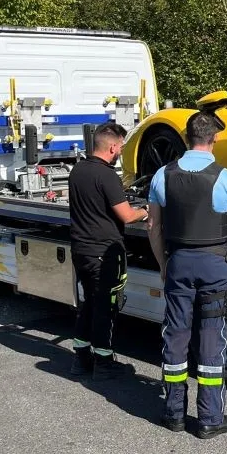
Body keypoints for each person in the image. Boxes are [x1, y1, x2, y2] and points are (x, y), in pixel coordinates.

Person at [146, 110, 227, 439]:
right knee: (211, 337)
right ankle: (209, 418)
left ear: (186, 138)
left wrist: (164, 265)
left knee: (175, 336)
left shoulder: (161, 176)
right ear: (215, 138)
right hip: (215, 267)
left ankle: (174, 413)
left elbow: (153, 227)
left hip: (179, 262)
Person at [68, 121, 148, 381]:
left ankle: (80, 359)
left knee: (88, 304)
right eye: (122, 147)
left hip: (81, 250)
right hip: (105, 253)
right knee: (106, 308)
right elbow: (125, 215)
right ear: (113, 146)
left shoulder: (77, 170)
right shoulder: (107, 176)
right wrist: (146, 211)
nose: (122, 152)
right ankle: (103, 362)